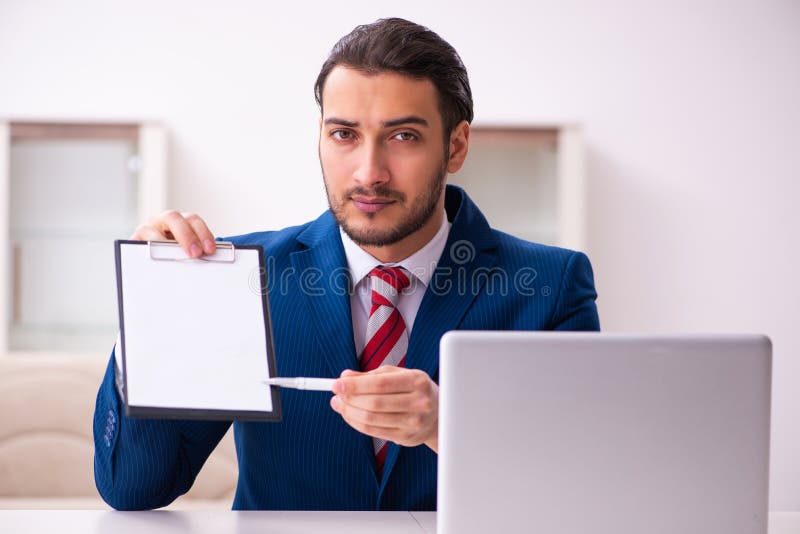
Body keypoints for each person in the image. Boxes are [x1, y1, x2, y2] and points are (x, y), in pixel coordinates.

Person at [93, 17, 600, 511]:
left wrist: (450, 427)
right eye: (344, 135)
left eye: (403, 136)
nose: (369, 172)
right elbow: (135, 490)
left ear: (456, 145)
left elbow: (586, 494)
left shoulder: (551, 288)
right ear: (320, 135)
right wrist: (150, 311)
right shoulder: (245, 279)